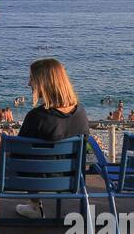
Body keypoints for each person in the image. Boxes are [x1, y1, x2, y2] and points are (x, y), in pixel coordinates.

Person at [13, 58, 91, 220]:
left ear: (44, 83)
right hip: (71, 177)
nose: (29, 84)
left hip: (36, 178)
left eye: (32, 79)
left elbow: (17, 154)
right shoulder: (81, 112)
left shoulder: (37, 116)